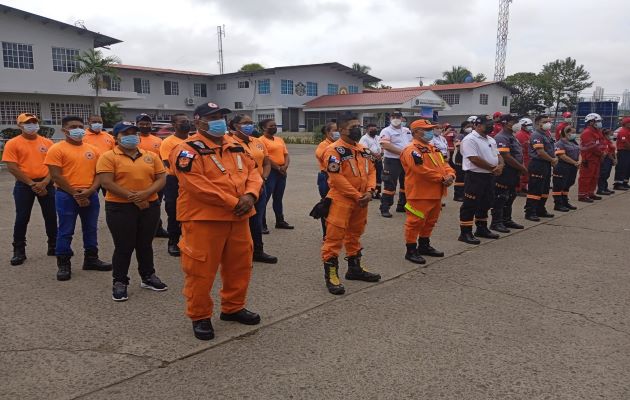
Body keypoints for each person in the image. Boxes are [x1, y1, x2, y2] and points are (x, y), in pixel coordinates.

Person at [170, 102, 263, 341]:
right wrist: (234, 202)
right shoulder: (187, 150)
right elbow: (196, 185)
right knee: (201, 271)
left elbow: (254, 172)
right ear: (198, 120)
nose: (219, 120)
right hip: (204, 220)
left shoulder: (236, 145)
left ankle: (233, 308)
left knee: (240, 266)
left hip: (240, 217)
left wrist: (251, 195)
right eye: (213, 116)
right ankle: (199, 316)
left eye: (222, 116)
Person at [97, 121, 168, 301]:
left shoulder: (150, 155)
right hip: (120, 207)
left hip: (149, 206)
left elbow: (161, 178)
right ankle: (120, 281)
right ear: (116, 137)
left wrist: (145, 195)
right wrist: (134, 198)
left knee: (145, 244)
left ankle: (148, 276)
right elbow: (107, 182)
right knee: (124, 245)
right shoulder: (108, 157)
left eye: (133, 132)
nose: (131, 136)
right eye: (126, 133)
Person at [44, 116, 112, 281]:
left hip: (90, 194)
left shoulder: (93, 150)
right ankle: (64, 263)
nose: (78, 129)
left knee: (90, 228)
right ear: (64, 130)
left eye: (80, 126)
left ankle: (91, 259)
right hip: (66, 195)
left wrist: (90, 191)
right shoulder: (56, 149)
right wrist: (76, 193)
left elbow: (99, 174)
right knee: (66, 230)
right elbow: (55, 176)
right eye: (73, 126)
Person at [321, 114, 380, 295]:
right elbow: (336, 177)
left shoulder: (363, 149)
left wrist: (369, 191)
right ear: (341, 130)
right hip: (342, 200)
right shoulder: (333, 151)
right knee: (334, 238)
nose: (357, 129)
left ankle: (354, 269)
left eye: (358, 126)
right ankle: (332, 275)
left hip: (362, 200)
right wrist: (356, 195)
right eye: (353, 126)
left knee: (355, 234)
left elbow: (371, 171)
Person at [2, 113, 57, 265]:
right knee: (22, 217)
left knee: (51, 216)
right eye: (27, 123)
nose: (31, 125)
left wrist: (45, 182)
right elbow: (12, 167)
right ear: (20, 125)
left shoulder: (47, 142)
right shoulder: (13, 143)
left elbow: (54, 166)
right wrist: (32, 184)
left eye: (34, 122)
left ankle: (54, 245)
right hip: (24, 185)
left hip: (46, 184)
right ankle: (19, 250)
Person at [400, 119, 455, 264]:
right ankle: (411, 250)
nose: (430, 131)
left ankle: (424, 245)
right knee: (415, 222)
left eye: (431, 129)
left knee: (430, 221)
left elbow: (445, 164)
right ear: (416, 132)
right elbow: (420, 170)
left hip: (436, 192)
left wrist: (451, 175)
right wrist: (442, 178)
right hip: (419, 194)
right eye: (427, 129)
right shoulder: (411, 150)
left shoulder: (433, 148)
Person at [229, 114, 277, 264]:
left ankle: (258, 250)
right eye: (245, 123)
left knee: (256, 221)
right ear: (236, 125)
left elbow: (266, 163)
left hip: (259, 187)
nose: (249, 125)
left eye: (251, 123)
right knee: (239, 222)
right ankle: (237, 253)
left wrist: (263, 179)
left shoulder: (257, 142)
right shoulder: (229, 143)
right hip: (240, 190)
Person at [458, 115, 504, 244]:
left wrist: (500, 165)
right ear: (477, 125)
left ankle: (482, 228)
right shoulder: (469, 139)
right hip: (475, 176)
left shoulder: (491, 139)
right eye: (487, 124)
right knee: (470, 205)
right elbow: (473, 158)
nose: (491, 126)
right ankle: (465, 232)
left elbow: (498, 154)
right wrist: (493, 168)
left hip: (489, 176)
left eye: (491, 124)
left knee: (486, 202)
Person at [159, 114, 191, 256]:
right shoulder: (168, 142)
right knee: (174, 211)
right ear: (174, 124)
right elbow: (168, 163)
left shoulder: (193, 140)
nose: (186, 123)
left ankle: (190, 241)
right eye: (182, 122)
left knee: (191, 212)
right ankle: (173, 242)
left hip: (193, 180)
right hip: (174, 180)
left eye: (187, 121)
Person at [490, 114, 528, 232]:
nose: (517, 124)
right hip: (505, 171)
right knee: (501, 197)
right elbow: (506, 156)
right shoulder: (501, 137)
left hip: (513, 172)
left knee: (511, 195)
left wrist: (519, 168)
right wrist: (521, 167)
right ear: (506, 123)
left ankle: (506, 219)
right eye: (513, 122)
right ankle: (496, 222)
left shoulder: (512, 136)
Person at [136, 113, 169, 238]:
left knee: (156, 204)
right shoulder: (134, 139)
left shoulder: (158, 141)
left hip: (155, 178)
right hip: (138, 177)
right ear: (137, 125)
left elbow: (162, 159)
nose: (145, 126)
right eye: (142, 124)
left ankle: (157, 228)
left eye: (147, 124)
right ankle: (139, 228)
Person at [259, 118, 294, 232]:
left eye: (275, 125)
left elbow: (286, 154)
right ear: (264, 128)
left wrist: (285, 166)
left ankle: (280, 221)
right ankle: (262, 224)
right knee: (265, 198)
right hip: (271, 172)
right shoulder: (260, 141)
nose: (274, 127)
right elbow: (266, 158)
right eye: (271, 126)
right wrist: (278, 168)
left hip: (282, 171)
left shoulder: (279, 139)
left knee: (278, 198)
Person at [524, 115, 557, 220]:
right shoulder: (536, 135)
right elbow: (540, 152)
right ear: (538, 123)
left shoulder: (546, 135)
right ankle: (530, 212)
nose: (548, 123)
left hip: (546, 164)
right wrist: (552, 160)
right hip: (538, 164)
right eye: (545, 121)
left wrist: (552, 159)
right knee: (535, 189)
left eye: (548, 121)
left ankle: (540, 209)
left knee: (544, 189)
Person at [379, 111, 411, 217]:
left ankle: (402, 205)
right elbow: (386, 145)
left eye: (398, 116)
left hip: (405, 161)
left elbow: (411, 143)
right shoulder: (386, 131)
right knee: (390, 184)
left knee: (405, 184)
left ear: (402, 118)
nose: (396, 118)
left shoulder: (406, 130)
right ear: (390, 118)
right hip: (392, 161)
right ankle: (385, 208)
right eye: (393, 116)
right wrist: (403, 153)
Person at [315, 121, 339, 239]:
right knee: (327, 205)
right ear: (327, 132)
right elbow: (326, 159)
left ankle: (336, 232)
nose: (337, 132)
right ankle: (326, 234)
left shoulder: (340, 144)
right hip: (326, 177)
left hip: (339, 178)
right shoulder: (323, 146)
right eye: (335, 130)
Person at [578, 113, 607, 202]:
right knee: (586, 177)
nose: (599, 123)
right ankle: (582, 195)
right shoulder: (587, 132)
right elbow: (592, 147)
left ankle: (590, 193)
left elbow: (602, 142)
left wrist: (603, 152)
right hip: (589, 158)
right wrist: (601, 153)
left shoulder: (597, 131)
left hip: (596, 158)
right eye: (597, 121)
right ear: (591, 122)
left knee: (595, 176)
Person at [552, 126, 580, 211]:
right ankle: (558, 204)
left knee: (567, 184)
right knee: (559, 185)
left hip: (572, 167)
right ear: (566, 133)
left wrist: (578, 162)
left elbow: (579, 151)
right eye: (572, 132)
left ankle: (565, 202)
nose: (574, 134)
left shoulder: (573, 142)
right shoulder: (559, 143)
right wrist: (574, 162)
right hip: (562, 166)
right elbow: (562, 156)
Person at [359, 123, 383, 199]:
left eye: (375, 129)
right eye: (372, 129)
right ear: (367, 130)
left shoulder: (377, 137)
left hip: (378, 160)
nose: (374, 131)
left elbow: (382, 145)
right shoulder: (364, 138)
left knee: (379, 177)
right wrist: (375, 155)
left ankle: (377, 192)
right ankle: (369, 192)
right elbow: (365, 149)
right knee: (371, 177)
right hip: (369, 161)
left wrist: (381, 154)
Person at [451, 120, 472, 202]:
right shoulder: (460, 136)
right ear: (463, 128)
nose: (470, 128)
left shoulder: (471, 135)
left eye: (471, 126)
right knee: (460, 177)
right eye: (467, 127)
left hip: (467, 158)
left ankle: (464, 194)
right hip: (460, 158)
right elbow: (458, 146)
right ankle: (458, 195)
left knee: (466, 177)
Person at [515, 117, 534, 195]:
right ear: (522, 126)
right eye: (528, 125)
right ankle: (519, 189)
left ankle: (524, 187)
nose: (530, 126)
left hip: (528, 156)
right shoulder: (520, 134)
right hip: (523, 156)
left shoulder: (528, 133)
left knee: (527, 174)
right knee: (522, 173)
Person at [596, 129, 616, 195]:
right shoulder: (604, 142)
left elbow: (613, 150)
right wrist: (613, 159)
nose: (612, 136)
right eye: (610, 134)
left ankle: (605, 187)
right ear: (605, 135)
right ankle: (601, 189)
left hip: (610, 159)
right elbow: (607, 152)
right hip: (606, 159)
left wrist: (615, 158)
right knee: (603, 174)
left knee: (607, 174)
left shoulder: (609, 141)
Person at [613, 117, 630, 190]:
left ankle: (624, 182)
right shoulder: (623, 131)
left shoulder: (628, 130)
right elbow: (625, 142)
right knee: (622, 167)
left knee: (627, 167)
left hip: (627, 151)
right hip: (623, 151)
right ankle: (618, 184)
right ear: (626, 124)